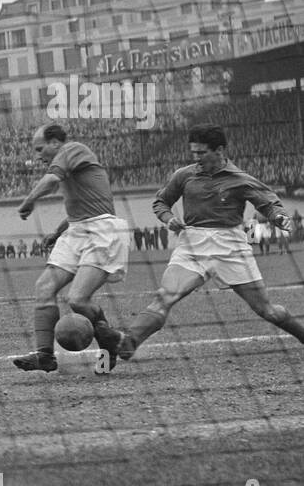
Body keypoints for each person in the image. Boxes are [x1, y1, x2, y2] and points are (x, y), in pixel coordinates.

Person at [117, 126, 304, 361]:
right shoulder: (184, 175)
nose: (196, 158)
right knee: (165, 296)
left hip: (231, 247)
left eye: (201, 153)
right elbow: (160, 202)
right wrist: (169, 219)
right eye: (193, 153)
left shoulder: (241, 179)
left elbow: (268, 203)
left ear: (220, 150)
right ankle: (129, 343)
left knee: (267, 311)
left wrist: (279, 217)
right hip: (192, 245)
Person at [13, 124, 130, 371]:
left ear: (56, 143)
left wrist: (28, 202)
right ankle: (45, 355)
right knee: (44, 287)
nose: (37, 156)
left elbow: (50, 181)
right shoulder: (71, 167)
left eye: (40, 149)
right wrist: (58, 232)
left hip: (102, 231)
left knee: (77, 299)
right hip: (77, 231)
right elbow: (82, 209)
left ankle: (109, 344)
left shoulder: (72, 149)